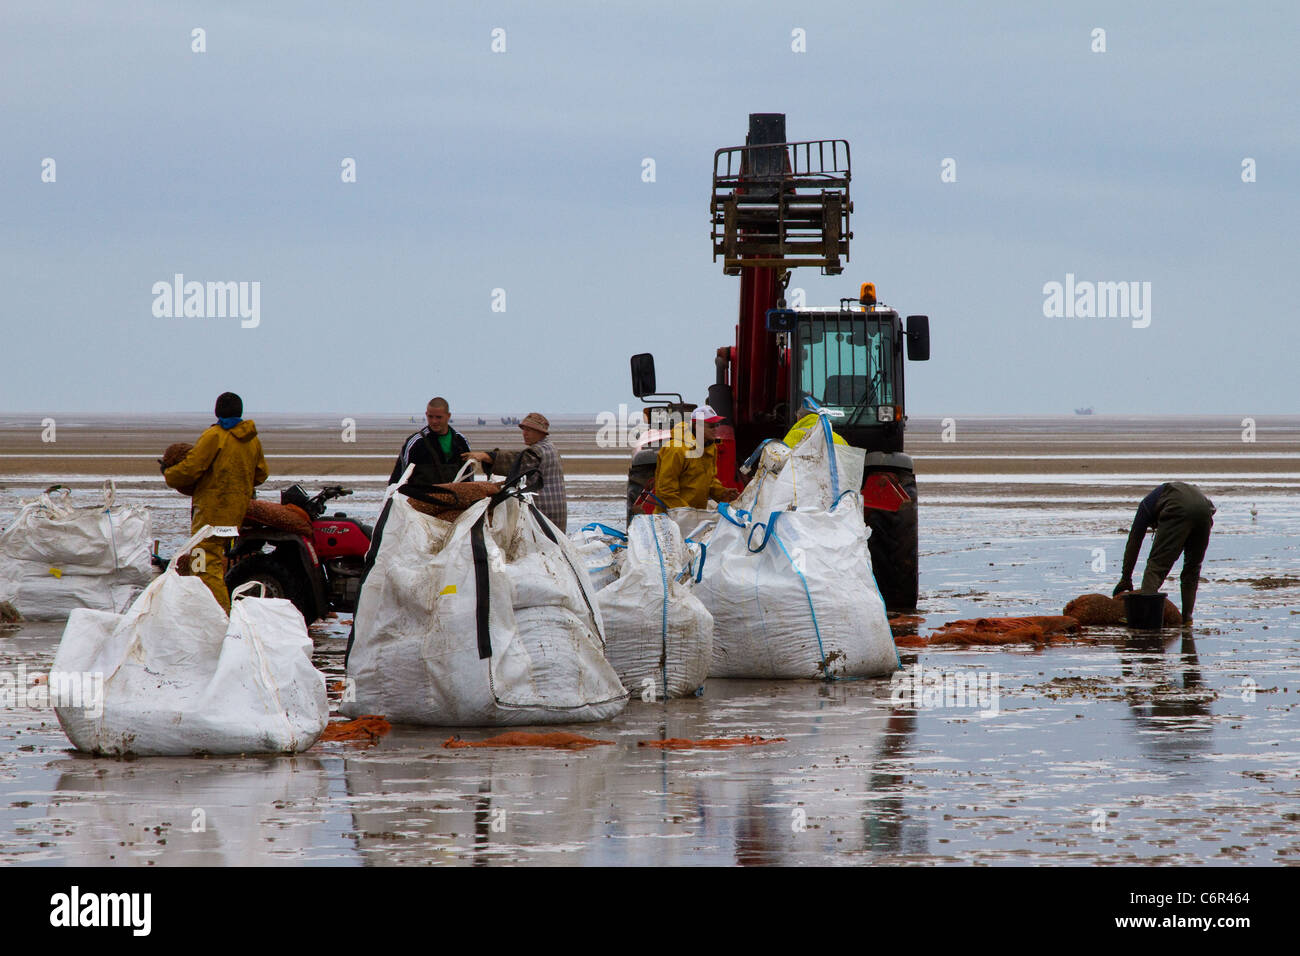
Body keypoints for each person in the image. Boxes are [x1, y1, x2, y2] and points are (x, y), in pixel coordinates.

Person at [163, 391, 269, 612]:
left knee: (203, 567)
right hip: (234, 516)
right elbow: (260, 474)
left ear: (216, 411)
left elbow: (192, 467)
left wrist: (170, 474)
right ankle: (207, 613)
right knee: (209, 562)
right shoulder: (252, 441)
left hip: (211, 516)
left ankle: (220, 617)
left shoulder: (215, 436)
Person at [1113, 481, 1215, 625]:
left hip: (1179, 507)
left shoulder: (1145, 507)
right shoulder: (1170, 493)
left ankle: (1145, 618)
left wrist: (1125, 578)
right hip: (1205, 511)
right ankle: (1187, 619)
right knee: (1192, 570)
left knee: (1155, 567)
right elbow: (1209, 508)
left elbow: (1134, 542)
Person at [462, 412, 567, 529]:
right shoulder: (549, 447)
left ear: (540, 433)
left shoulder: (535, 452)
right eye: (524, 430)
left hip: (544, 513)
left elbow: (518, 466)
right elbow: (519, 457)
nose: (524, 434)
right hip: (557, 512)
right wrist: (489, 456)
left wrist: (486, 457)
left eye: (529, 430)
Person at [652, 405, 739, 512]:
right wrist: (687, 513)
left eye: (717, 425)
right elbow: (666, 491)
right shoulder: (676, 449)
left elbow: (709, 481)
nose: (716, 430)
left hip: (693, 517)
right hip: (671, 518)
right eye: (711, 426)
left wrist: (722, 493)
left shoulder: (710, 448)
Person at [388, 397, 471, 486]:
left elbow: (469, 476)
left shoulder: (461, 441)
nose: (434, 421)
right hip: (421, 498)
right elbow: (399, 478)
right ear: (426, 414)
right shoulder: (416, 442)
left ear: (448, 416)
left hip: (455, 497)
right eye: (430, 417)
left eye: (439, 417)